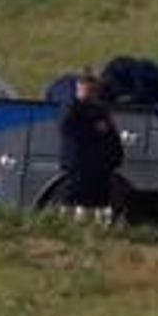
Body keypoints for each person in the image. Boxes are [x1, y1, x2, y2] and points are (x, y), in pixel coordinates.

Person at [57, 66, 124, 220]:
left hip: (99, 163)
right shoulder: (71, 108)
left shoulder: (100, 109)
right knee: (73, 193)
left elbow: (110, 133)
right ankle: (64, 221)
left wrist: (115, 156)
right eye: (87, 89)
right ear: (79, 88)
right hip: (78, 161)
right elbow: (69, 130)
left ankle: (94, 224)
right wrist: (93, 127)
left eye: (93, 89)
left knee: (98, 197)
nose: (91, 93)